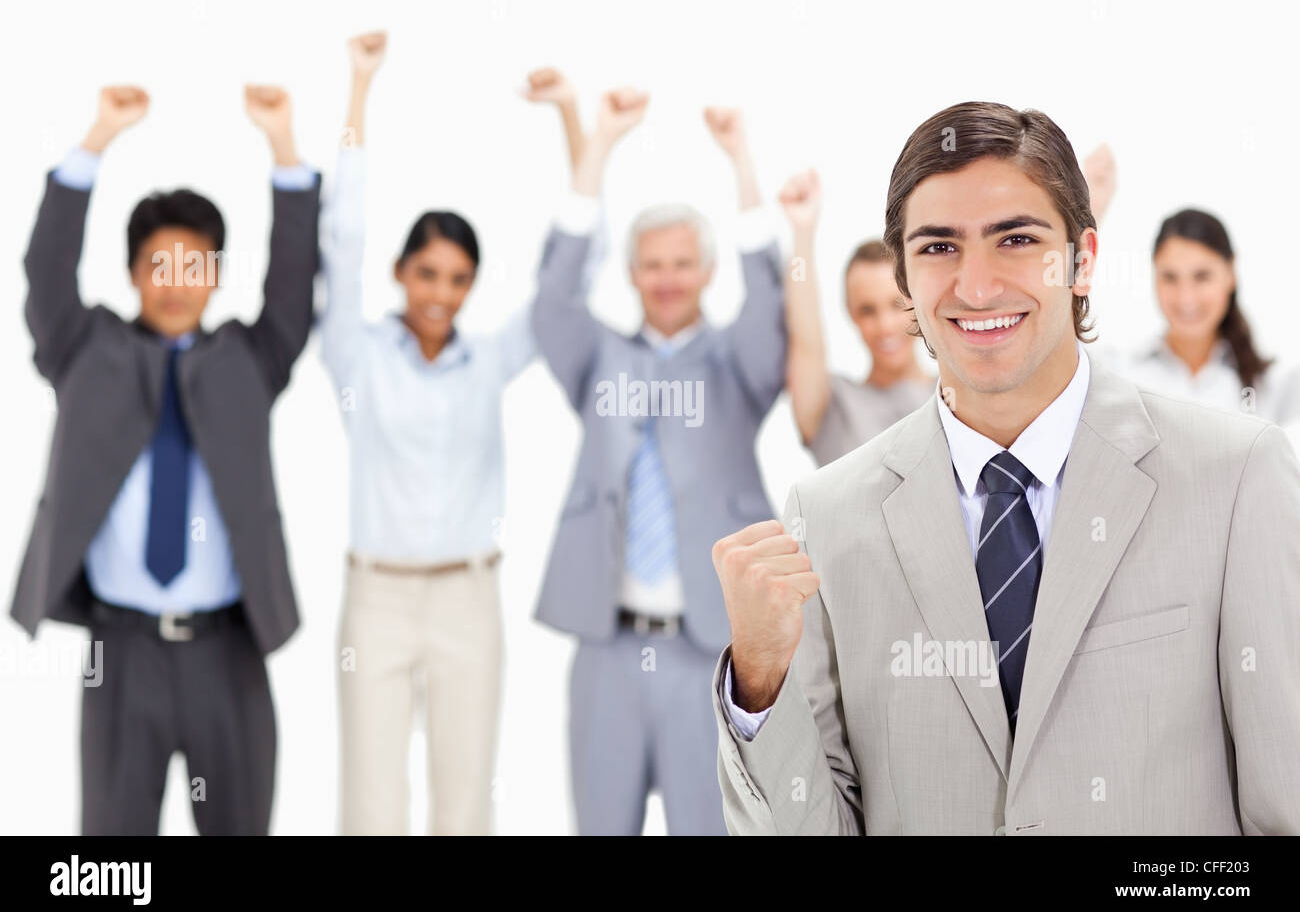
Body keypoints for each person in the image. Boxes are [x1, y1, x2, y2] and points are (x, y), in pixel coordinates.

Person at [710, 101, 1300, 835]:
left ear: (1082, 260)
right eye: (938, 247)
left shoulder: (1235, 477)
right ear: (902, 281)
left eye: (1015, 239)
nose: (978, 286)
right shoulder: (826, 516)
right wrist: (760, 682)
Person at [11, 85, 320, 834]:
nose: (176, 285)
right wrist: (97, 140)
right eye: (160, 265)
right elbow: (47, 272)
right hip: (119, 652)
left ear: (216, 275)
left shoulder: (251, 357)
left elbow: (291, 282)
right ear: (132, 273)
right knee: (113, 858)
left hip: (229, 648)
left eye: (195, 267)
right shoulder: (84, 349)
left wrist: (282, 147)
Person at [318, 33, 587, 835]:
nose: (441, 293)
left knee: (465, 800)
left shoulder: (489, 360)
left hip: (469, 595)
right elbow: (341, 239)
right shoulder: (356, 356)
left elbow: (564, 282)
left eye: (459, 278)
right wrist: (359, 84)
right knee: (370, 799)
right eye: (428, 273)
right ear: (402, 272)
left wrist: (573, 121)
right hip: (378, 596)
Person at [531, 89, 785, 835]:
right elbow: (551, 298)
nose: (667, 278)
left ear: (707, 272)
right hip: (606, 646)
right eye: (652, 265)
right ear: (632, 274)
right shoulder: (598, 356)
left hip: (706, 650)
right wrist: (600, 145)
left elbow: (771, 306)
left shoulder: (736, 364)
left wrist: (740, 160)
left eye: (682, 263)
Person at [1083, 145, 1300, 425]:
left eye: (1202, 277)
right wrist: (1086, 217)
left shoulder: (1273, 386)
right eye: (1170, 277)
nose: (1186, 299)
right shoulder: (1121, 375)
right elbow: (1055, 340)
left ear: (1230, 273)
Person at [779, 168, 934, 466]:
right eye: (867, 310)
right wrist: (802, 231)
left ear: (918, 302)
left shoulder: (956, 397)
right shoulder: (834, 407)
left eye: (896, 304)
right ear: (850, 315)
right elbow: (806, 343)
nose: (885, 325)